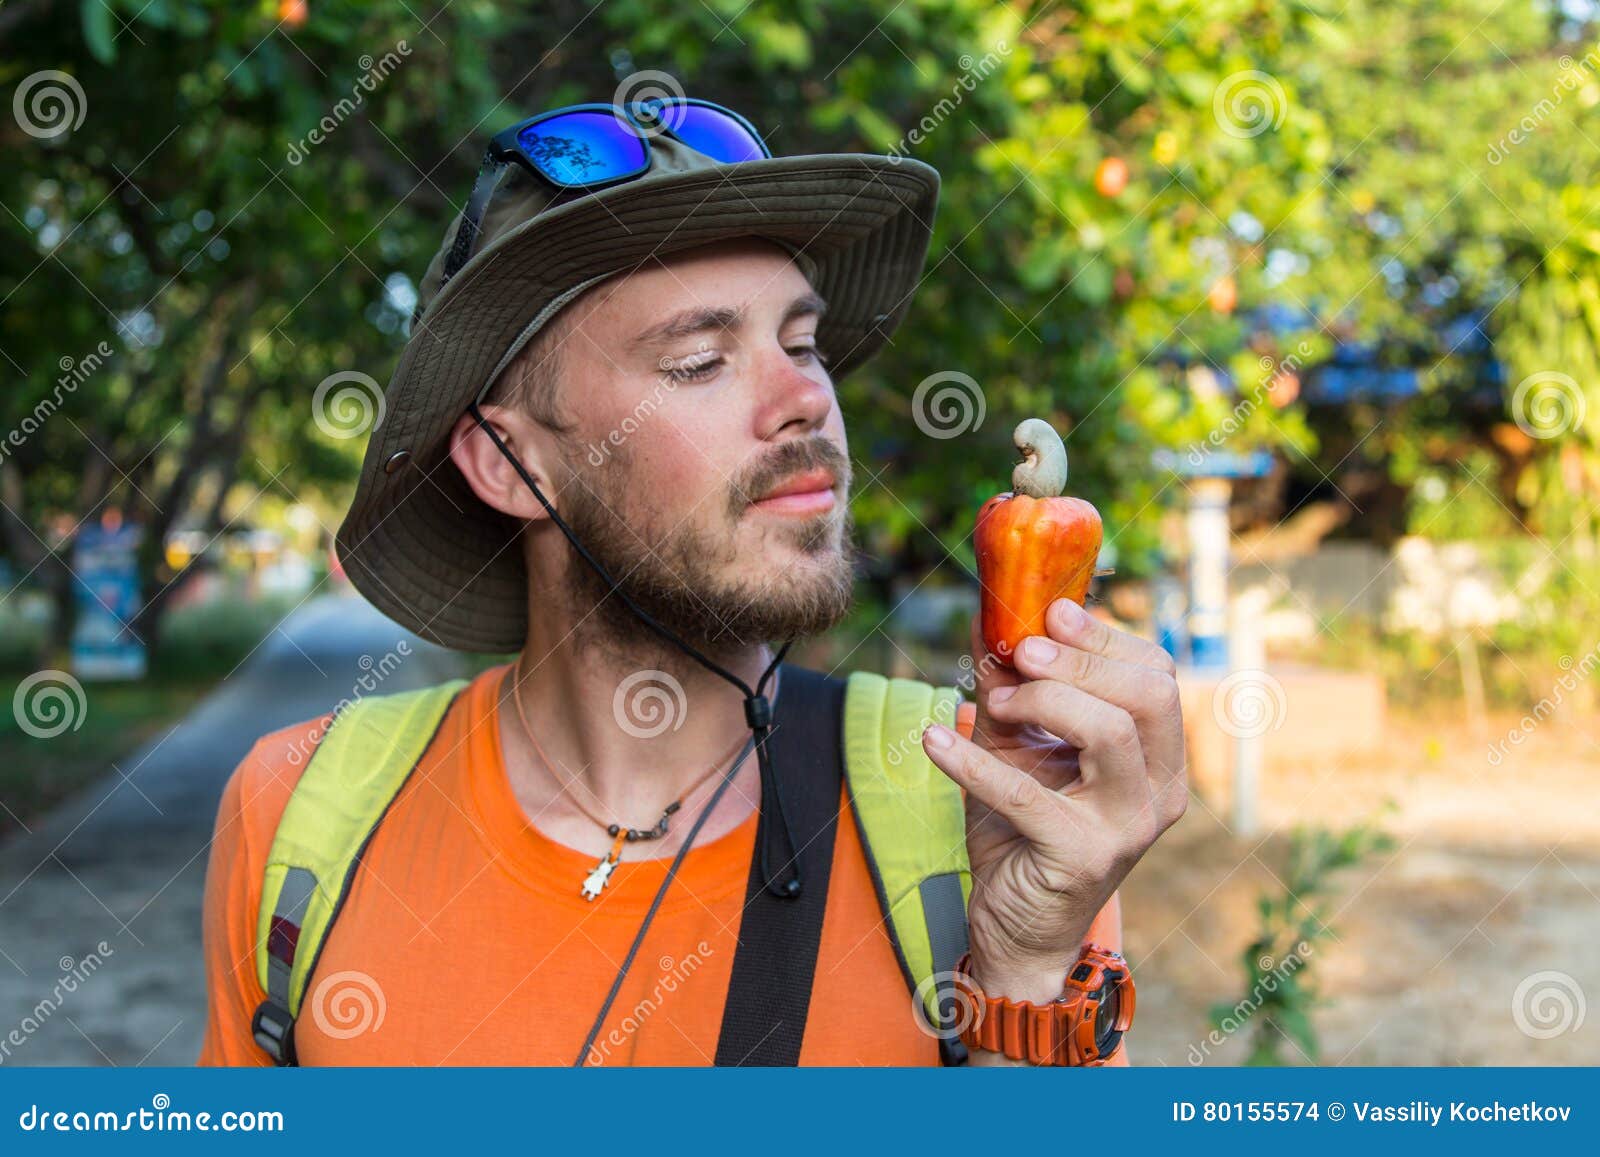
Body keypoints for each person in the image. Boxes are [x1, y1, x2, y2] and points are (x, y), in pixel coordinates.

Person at [198, 97, 1186, 1067]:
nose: (807, 398)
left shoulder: (998, 798)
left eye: (801, 343)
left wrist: (1023, 975)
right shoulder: (302, 813)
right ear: (509, 462)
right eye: (700, 360)